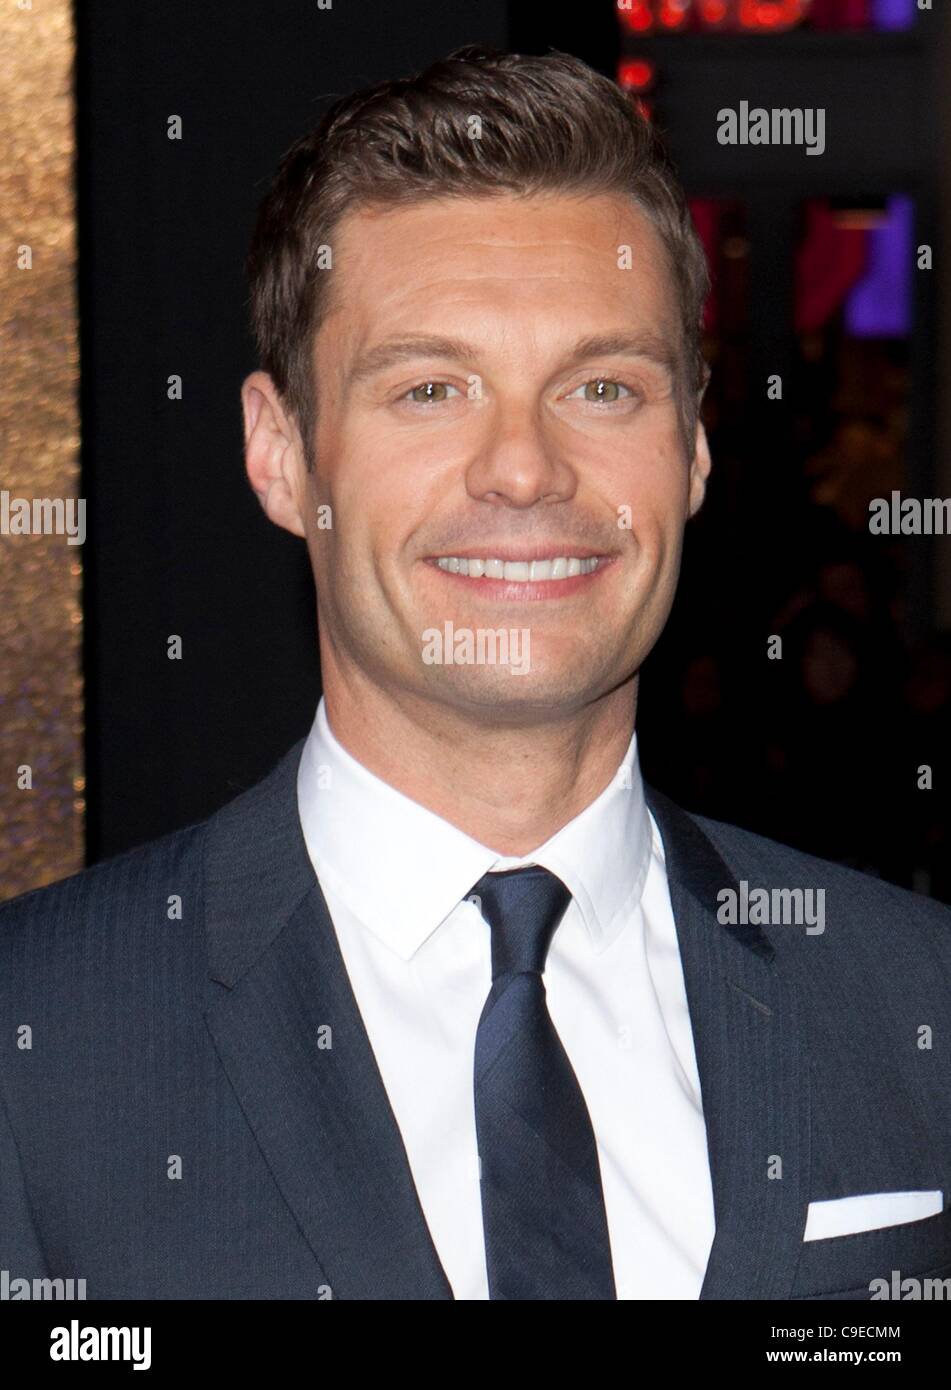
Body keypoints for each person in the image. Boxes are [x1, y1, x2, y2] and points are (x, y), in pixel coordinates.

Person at [2, 45, 950, 1302]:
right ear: (282, 455)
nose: (523, 469)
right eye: (431, 388)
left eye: (603, 386)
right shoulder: (40, 1037)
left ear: (695, 452)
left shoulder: (914, 993)